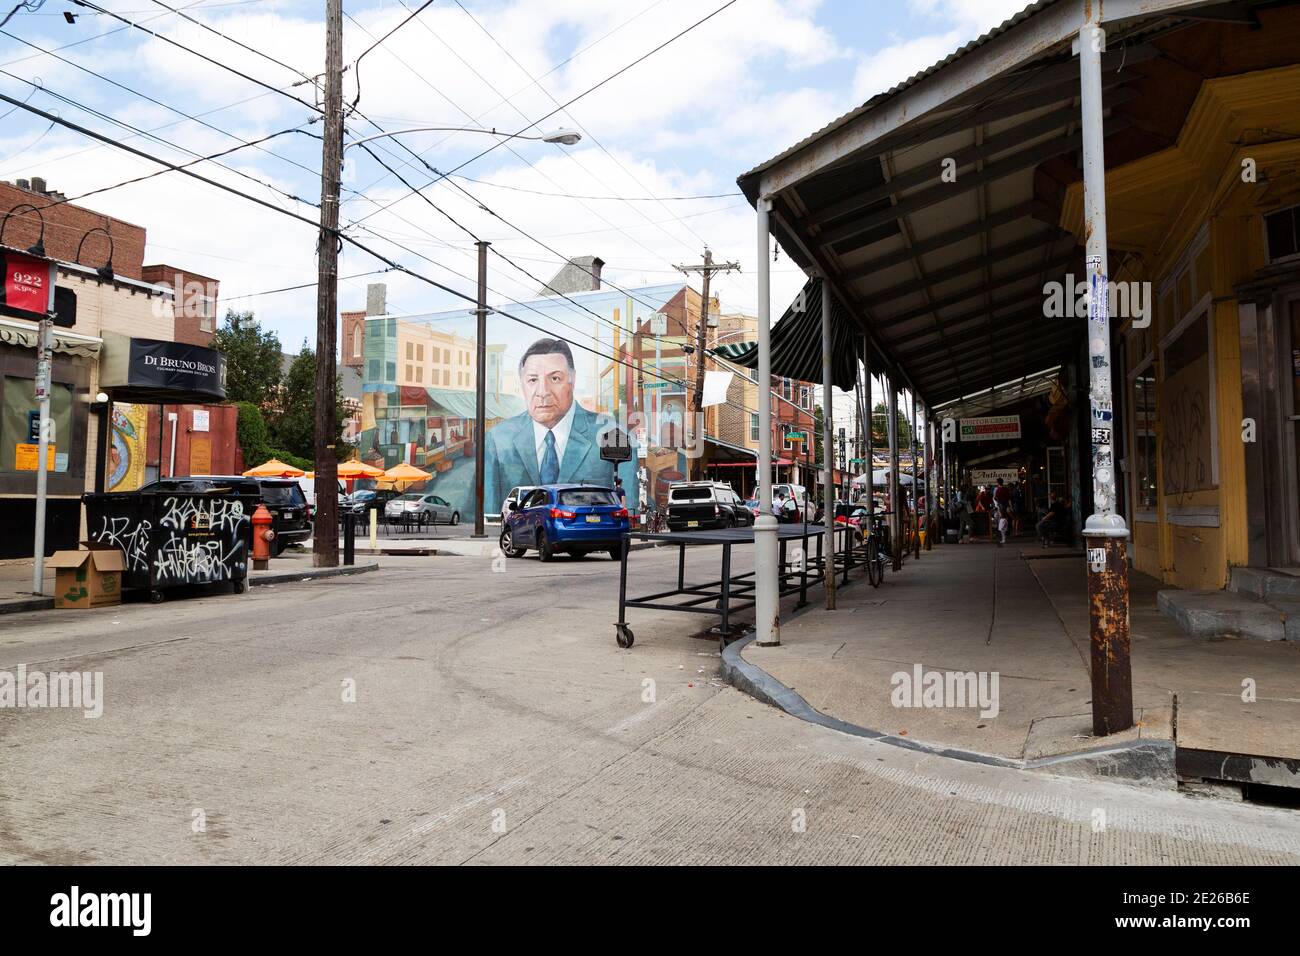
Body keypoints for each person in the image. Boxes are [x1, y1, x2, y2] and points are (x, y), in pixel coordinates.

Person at [484, 338, 627, 512]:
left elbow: (629, 511)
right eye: (533, 380)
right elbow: (488, 516)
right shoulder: (498, 439)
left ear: (572, 380)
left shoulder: (611, 433)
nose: (543, 392)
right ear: (522, 384)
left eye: (555, 378)